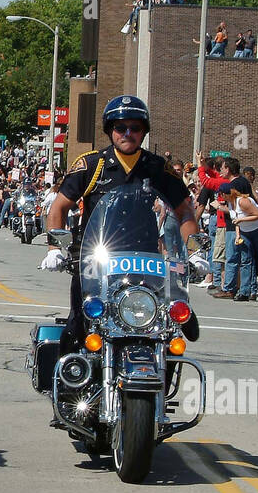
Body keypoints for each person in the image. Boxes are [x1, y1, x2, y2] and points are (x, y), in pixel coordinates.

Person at [42, 95, 201, 353]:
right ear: (110, 130)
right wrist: (54, 248)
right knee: (77, 327)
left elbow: (185, 211)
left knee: (170, 326)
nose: (128, 133)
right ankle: (71, 380)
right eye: (120, 127)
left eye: (135, 128)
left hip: (147, 262)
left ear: (143, 132)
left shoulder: (157, 168)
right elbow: (59, 206)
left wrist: (195, 253)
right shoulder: (92, 165)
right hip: (95, 262)